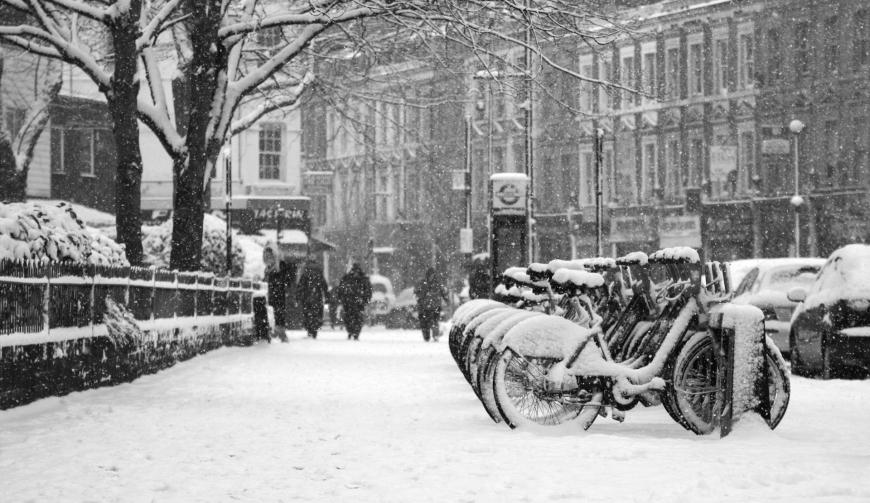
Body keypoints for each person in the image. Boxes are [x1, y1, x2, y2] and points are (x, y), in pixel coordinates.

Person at [264, 246, 294, 342]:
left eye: (270, 256)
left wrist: (282, 284)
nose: (268, 259)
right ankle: (277, 332)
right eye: (266, 256)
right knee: (274, 314)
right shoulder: (267, 269)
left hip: (278, 296)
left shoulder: (280, 267)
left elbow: (288, 278)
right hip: (271, 296)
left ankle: (280, 333)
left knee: (278, 314)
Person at [295, 256, 329, 339]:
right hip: (317, 297)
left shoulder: (305, 273)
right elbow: (324, 286)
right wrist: (327, 297)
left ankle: (309, 329)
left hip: (306, 297)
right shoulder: (319, 273)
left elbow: (300, 286)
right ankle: (315, 329)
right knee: (317, 314)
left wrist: (298, 296)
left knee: (307, 314)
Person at [336, 263, 372, 340]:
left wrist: (341, 298)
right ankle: (356, 333)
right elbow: (368, 291)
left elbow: (340, 289)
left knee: (349, 317)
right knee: (357, 318)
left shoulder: (347, 277)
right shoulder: (363, 278)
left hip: (348, 301)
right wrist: (366, 300)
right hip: (358, 302)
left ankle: (351, 331)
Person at [414, 267, 448, 342]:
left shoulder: (437, 283)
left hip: (435, 306)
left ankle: (435, 336)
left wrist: (446, 299)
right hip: (424, 307)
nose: (432, 276)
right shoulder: (423, 283)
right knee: (425, 323)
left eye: (433, 274)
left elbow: (443, 293)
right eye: (430, 274)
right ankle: (427, 337)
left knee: (434, 322)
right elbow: (417, 293)